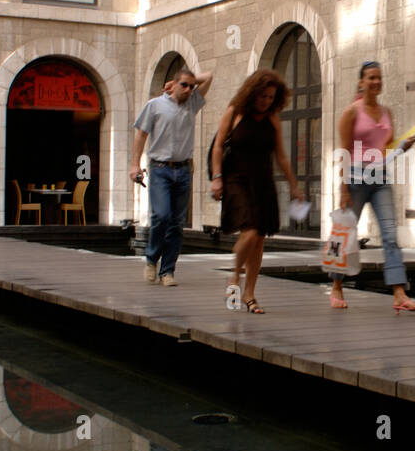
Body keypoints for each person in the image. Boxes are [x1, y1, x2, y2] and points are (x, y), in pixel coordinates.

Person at [328, 61, 415, 313]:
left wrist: (403, 146)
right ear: (361, 82)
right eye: (371, 78)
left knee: (390, 235)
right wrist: (343, 188)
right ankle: (336, 285)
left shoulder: (387, 112)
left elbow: (387, 148)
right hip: (356, 179)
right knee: (345, 233)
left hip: (380, 178)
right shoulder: (351, 112)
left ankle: (399, 293)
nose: (376, 82)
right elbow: (344, 152)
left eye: (379, 78)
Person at [209, 69, 304, 314]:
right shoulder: (234, 113)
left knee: (259, 239)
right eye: (263, 96)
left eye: (271, 97)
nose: (266, 101)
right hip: (236, 179)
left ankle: (250, 294)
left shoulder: (272, 118)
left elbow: (281, 156)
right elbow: (218, 147)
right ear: (252, 93)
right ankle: (234, 278)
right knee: (250, 232)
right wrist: (217, 178)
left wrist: (294, 185)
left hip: (264, 181)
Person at [130, 67, 213, 286]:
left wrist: (190, 81)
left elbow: (210, 75)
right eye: (183, 85)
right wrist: (134, 165)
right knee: (162, 216)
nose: (188, 89)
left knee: (176, 223)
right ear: (173, 84)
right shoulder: (155, 105)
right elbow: (141, 135)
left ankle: (167, 271)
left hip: (184, 169)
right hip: (160, 168)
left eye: (191, 86)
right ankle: (151, 259)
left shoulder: (192, 103)